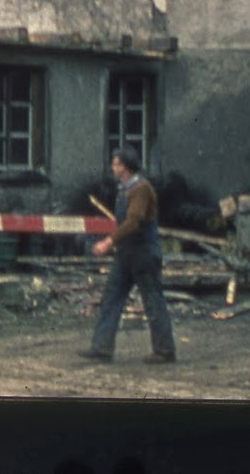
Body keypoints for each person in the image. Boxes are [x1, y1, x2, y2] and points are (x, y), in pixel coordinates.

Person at [79, 147, 177, 364]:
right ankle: (102, 347)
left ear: (124, 167)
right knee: (111, 297)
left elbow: (134, 221)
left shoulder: (141, 190)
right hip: (126, 254)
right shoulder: (124, 189)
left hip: (144, 253)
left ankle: (165, 350)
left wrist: (108, 241)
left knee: (153, 301)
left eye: (115, 164)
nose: (112, 168)